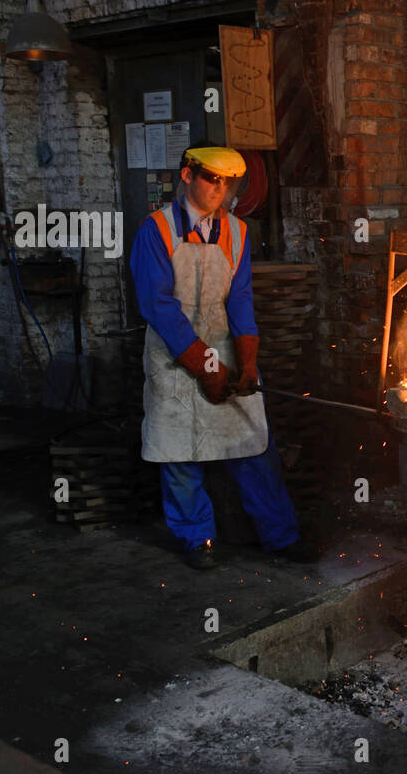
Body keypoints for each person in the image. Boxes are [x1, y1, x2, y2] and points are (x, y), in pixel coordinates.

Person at [129, 144, 317, 569]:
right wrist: (205, 367)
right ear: (187, 176)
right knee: (178, 453)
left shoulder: (236, 231)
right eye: (211, 178)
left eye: (227, 182)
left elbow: (241, 299)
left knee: (252, 443)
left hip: (226, 347)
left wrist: (247, 361)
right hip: (173, 354)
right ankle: (197, 540)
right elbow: (159, 306)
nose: (220, 189)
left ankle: (280, 536)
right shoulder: (154, 230)